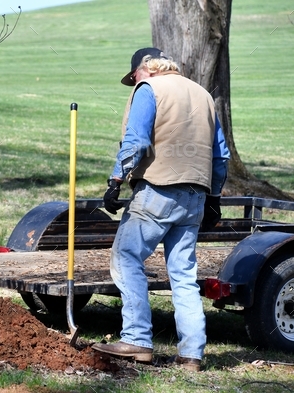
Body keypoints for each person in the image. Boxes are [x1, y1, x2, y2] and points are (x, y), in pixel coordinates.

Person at [92, 48, 231, 372]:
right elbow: (220, 156)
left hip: (157, 190)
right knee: (183, 275)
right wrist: (214, 198)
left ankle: (137, 340)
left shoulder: (149, 89)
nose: (133, 84)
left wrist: (116, 179)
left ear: (145, 69)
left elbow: (137, 142)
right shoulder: (203, 95)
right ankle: (191, 355)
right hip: (196, 196)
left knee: (126, 257)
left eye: (134, 77)